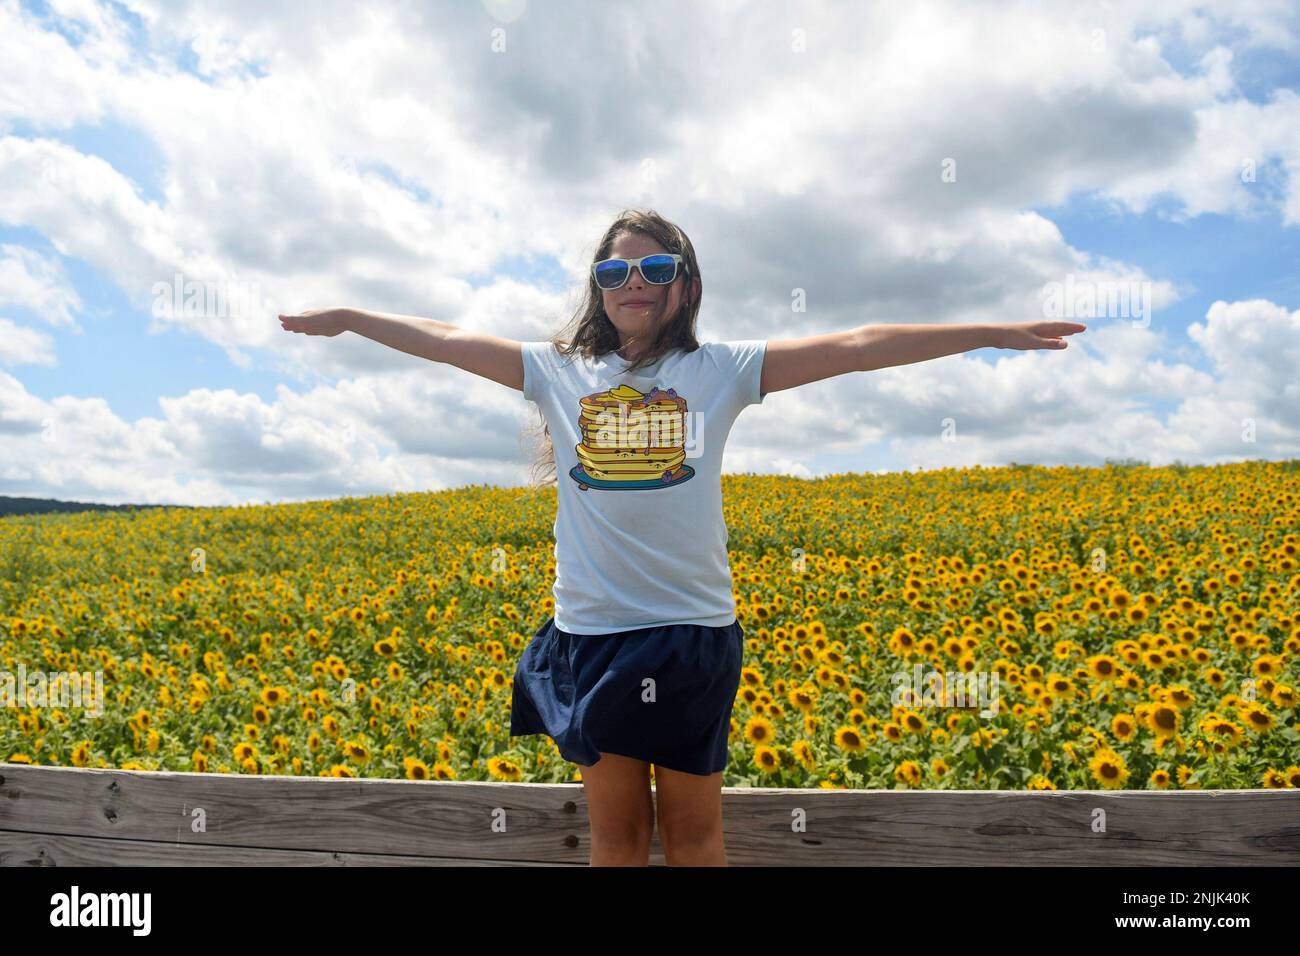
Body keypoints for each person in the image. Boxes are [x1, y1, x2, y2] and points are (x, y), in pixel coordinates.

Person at [279, 207, 1086, 867]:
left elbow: (856, 345)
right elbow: (443, 334)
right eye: (615, 271)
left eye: (655, 269)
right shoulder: (555, 369)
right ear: (597, 289)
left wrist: (989, 332)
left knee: (697, 837)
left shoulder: (722, 369)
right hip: (589, 635)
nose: (635, 283)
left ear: (685, 284)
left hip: (689, 635)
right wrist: (350, 318)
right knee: (618, 841)